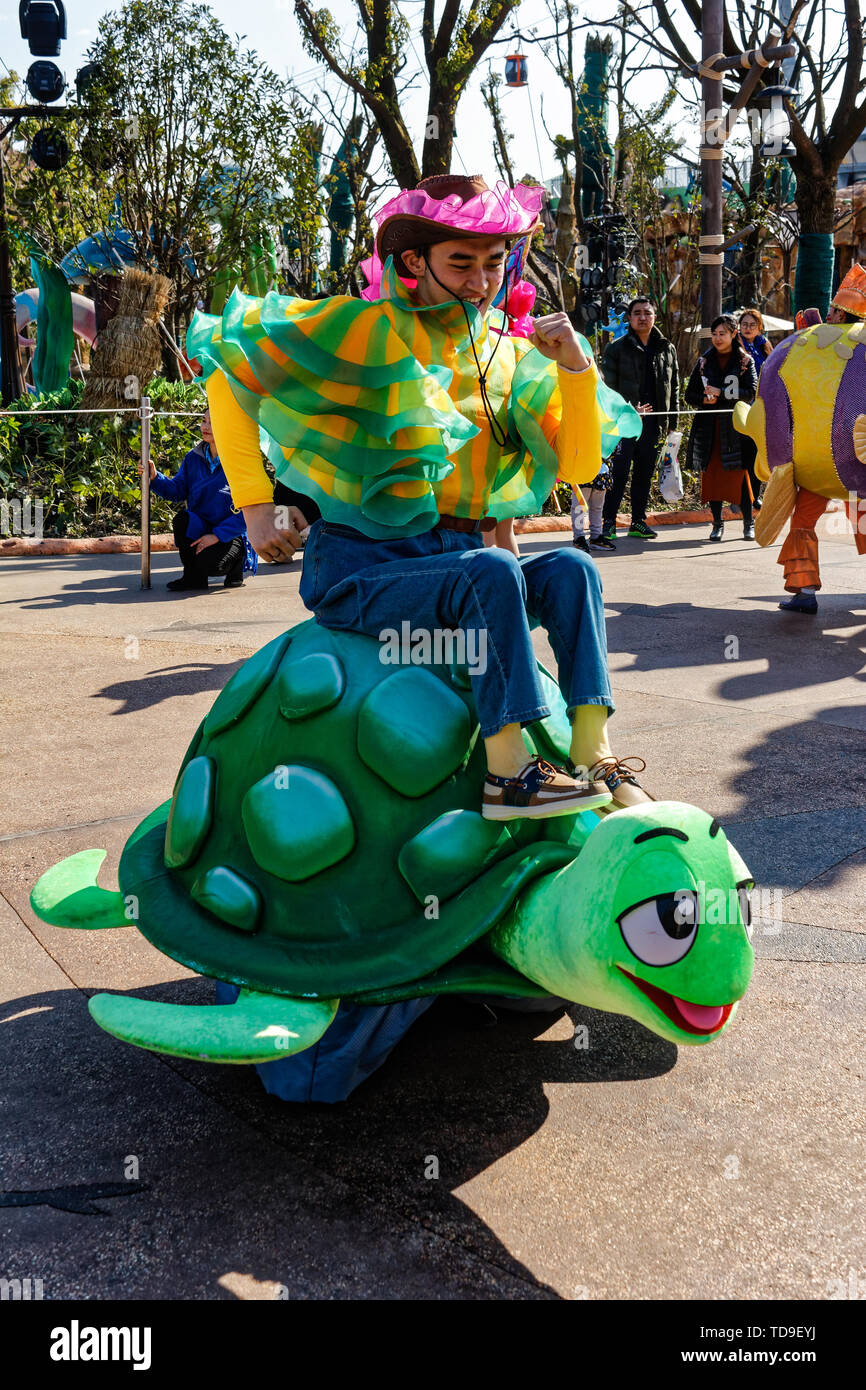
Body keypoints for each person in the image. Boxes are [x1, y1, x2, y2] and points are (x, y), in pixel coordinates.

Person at [190, 174, 652, 815]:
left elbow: (576, 462)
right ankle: (508, 773)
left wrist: (576, 368)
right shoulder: (363, 327)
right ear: (413, 261)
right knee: (492, 567)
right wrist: (256, 509)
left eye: (493, 264)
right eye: (460, 263)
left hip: (461, 565)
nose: (480, 282)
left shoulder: (510, 353)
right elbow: (229, 372)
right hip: (363, 571)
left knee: (572, 567)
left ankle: (594, 752)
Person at [147, 409, 257, 591]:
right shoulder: (193, 458)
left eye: (212, 422)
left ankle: (237, 564)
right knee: (182, 520)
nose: (205, 427)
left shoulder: (240, 460)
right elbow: (177, 491)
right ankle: (193, 578)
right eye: (204, 421)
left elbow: (250, 511)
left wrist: (217, 536)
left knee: (211, 565)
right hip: (202, 527)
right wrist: (154, 478)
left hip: (232, 533)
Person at [599, 296, 679, 544]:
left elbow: (673, 387)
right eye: (637, 313)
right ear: (630, 318)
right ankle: (609, 522)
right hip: (624, 423)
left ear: (654, 316)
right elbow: (607, 389)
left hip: (654, 423)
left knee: (644, 473)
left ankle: (638, 522)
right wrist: (629, 409)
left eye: (647, 312)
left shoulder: (667, 348)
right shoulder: (616, 348)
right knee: (619, 472)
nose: (642, 317)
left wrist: (671, 422)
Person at [684, 316, 758, 542]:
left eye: (722, 334)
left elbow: (751, 393)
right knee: (713, 477)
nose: (717, 338)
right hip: (709, 429)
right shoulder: (704, 362)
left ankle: (748, 523)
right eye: (714, 334)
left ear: (734, 334)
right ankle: (717, 524)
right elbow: (690, 394)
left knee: (740, 476)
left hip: (736, 429)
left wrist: (722, 393)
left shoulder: (745, 362)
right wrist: (703, 400)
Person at [737, 308, 773, 510]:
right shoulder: (736, 345)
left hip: (763, 405)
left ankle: (755, 494)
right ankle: (742, 496)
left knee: (759, 453)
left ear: (759, 327)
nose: (748, 328)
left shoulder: (765, 345)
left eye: (752, 325)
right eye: (744, 325)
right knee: (744, 453)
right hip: (744, 403)